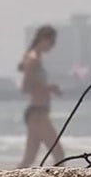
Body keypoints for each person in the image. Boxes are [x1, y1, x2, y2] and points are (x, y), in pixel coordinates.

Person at [17, 25, 63, 167]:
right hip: (38, 114)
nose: (53, 46)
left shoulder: (34, 57)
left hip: (37, 113)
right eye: (52, 42)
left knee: (28, 159)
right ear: (43, 39)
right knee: (59, 155)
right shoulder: (33, 58)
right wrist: (49, 87)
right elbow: (25, 86)